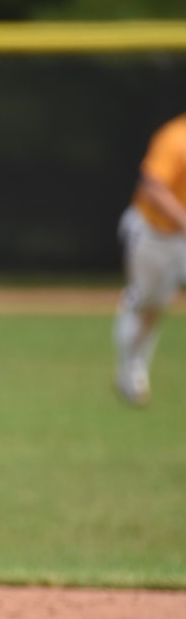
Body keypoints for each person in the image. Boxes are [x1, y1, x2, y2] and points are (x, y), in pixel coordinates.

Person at [114, 113, 186, 407]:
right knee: (149, 306)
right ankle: (130, 368)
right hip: (153, 233)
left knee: (154, 307)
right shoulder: (176, 138)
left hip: (180, 239)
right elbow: (153, 187)